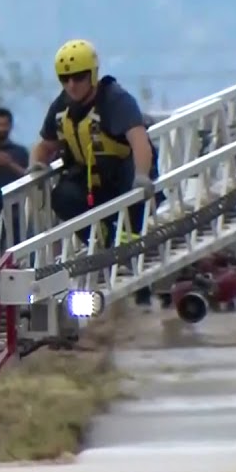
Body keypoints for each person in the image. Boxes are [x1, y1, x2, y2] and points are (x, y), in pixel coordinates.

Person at [30, 39, 159, 305]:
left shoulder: (116, 100)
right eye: (65, 79)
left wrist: (143, 177)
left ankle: (140, 279)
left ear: (93, 75)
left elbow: (139, 141)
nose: (72, 85)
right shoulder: (61, 107)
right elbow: (45, 146)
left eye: (79, 77)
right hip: (89, 184)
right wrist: (36, 165)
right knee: (62, 196)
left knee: (133, 222)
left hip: (124, 178)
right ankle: (98, 241)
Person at [0, 107, 30, 247]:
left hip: (15, 208)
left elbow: (28, 176)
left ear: (10, 126)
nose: (1, 129)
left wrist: (9, 163)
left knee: (15, 245)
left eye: (4, 125)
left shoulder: (19, 152)